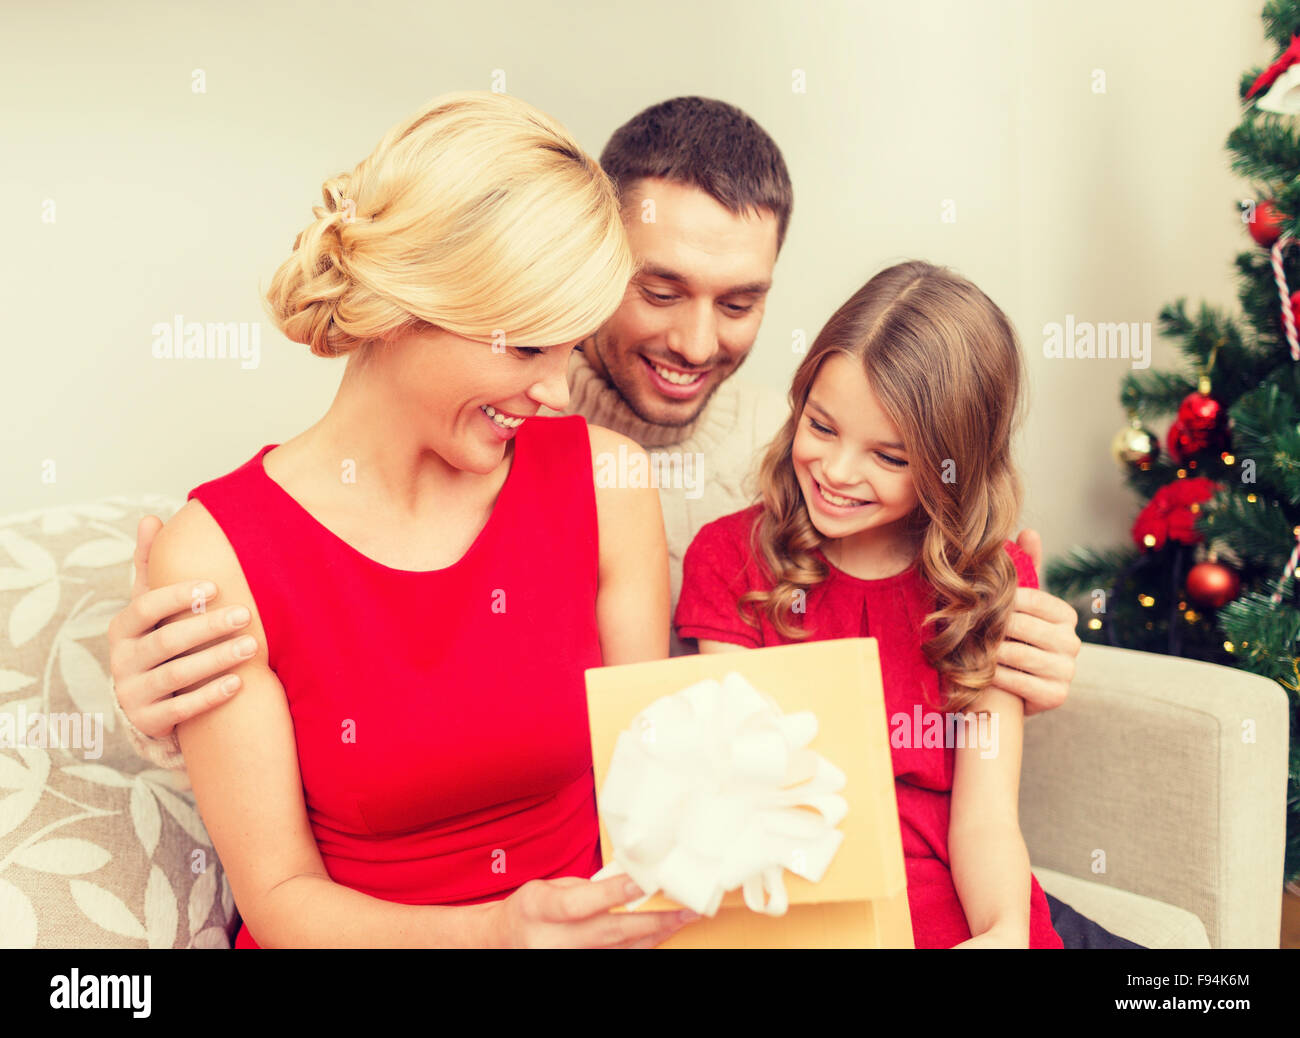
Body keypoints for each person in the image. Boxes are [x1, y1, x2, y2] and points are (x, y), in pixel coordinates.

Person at [133, 90, 702, 948]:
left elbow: (644, 794)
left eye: (572, 348)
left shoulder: (605, 482)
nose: (555, 390)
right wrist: (499, 933)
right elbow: (283, 897)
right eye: (528, 346)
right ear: (408, 302)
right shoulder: (216, 555)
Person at [674, 261, 1107, 947]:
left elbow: (986, 820)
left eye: (891, 457)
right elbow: (740, 802)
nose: (839, 472)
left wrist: (1002, 932)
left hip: (965, 909)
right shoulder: (732, 560)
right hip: (809, 908)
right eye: (821, 426)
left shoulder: (992, 580)